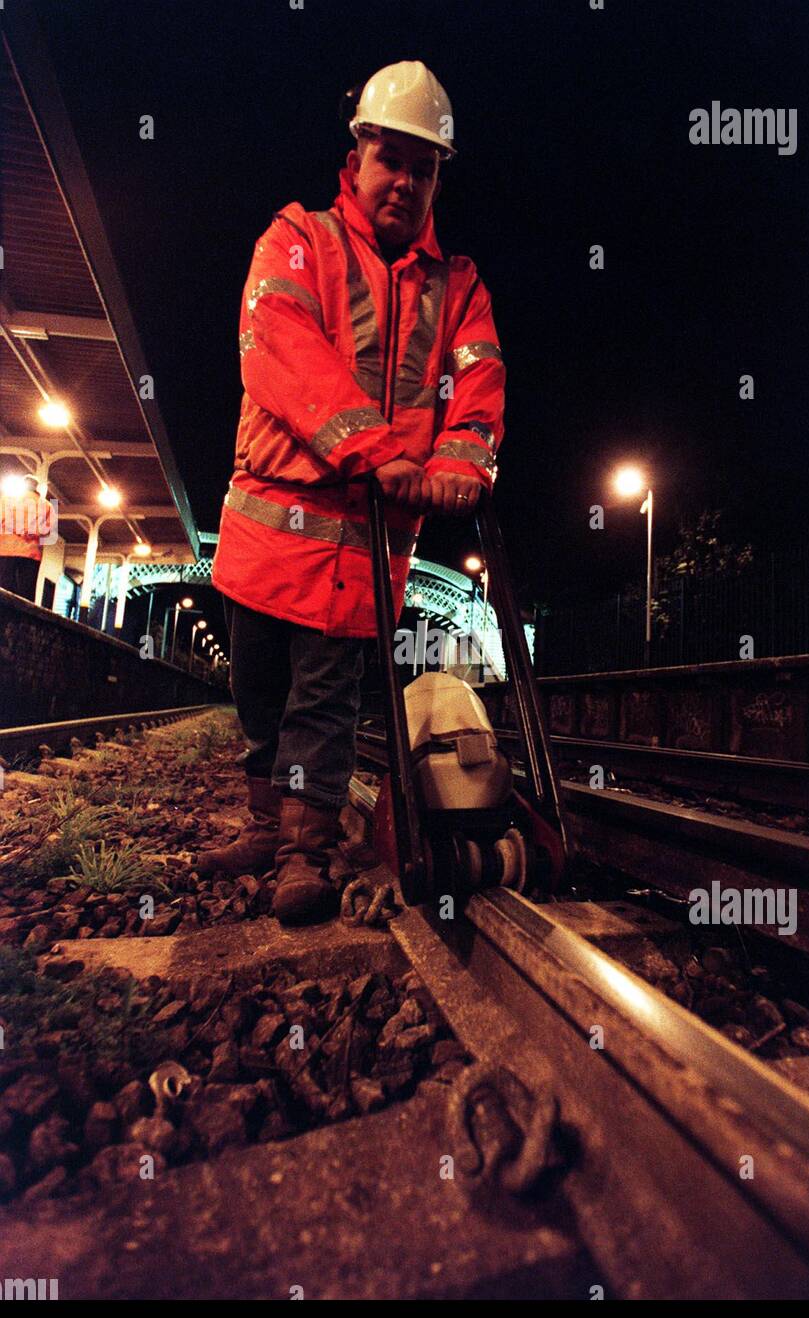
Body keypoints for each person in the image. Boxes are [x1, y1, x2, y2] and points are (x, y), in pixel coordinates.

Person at [202, 60, 506, 925]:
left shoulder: (459, 287)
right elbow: (277, 346)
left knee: (323, 703)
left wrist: (459, 463)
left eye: (425, 167)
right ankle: (268, 827)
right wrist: (372, 449)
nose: (407, 182)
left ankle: (305, 850)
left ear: (437, 176)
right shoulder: (297, 241)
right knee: (259, 688)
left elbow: (477, 384)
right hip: (270, 532)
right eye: (393, 161)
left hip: (363, 545)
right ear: (359, 155)